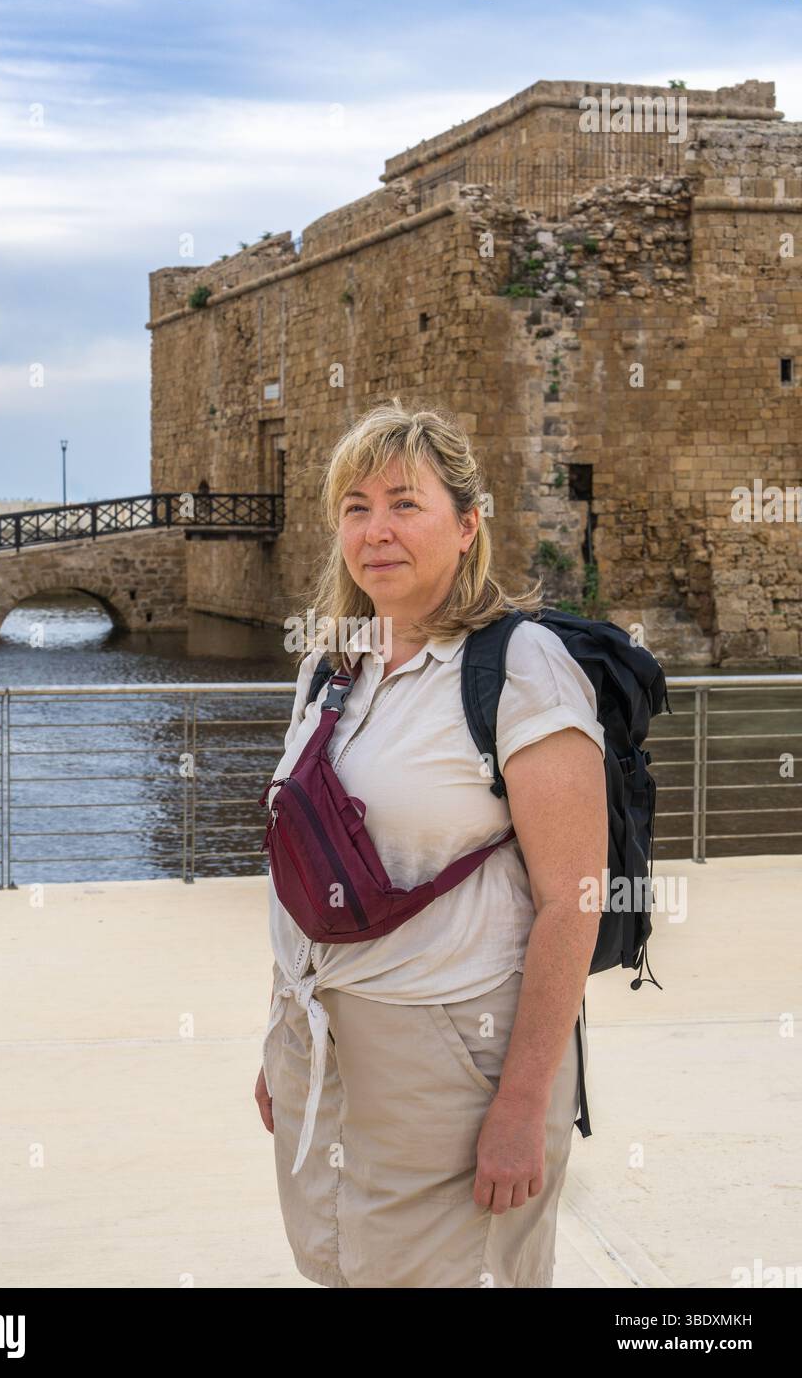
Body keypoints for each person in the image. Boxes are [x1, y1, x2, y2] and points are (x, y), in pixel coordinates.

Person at [254, 398, 608, 1288]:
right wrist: (280, 1036)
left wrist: (523, 1103)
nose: (377, 529)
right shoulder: (332, 667)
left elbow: (576, 900)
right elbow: (301, 874)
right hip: (322, 1049)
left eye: (405, 503)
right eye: (356, 507)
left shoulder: (521, 670)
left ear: (467, 524)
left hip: (455, 1060)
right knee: (334, 1266)